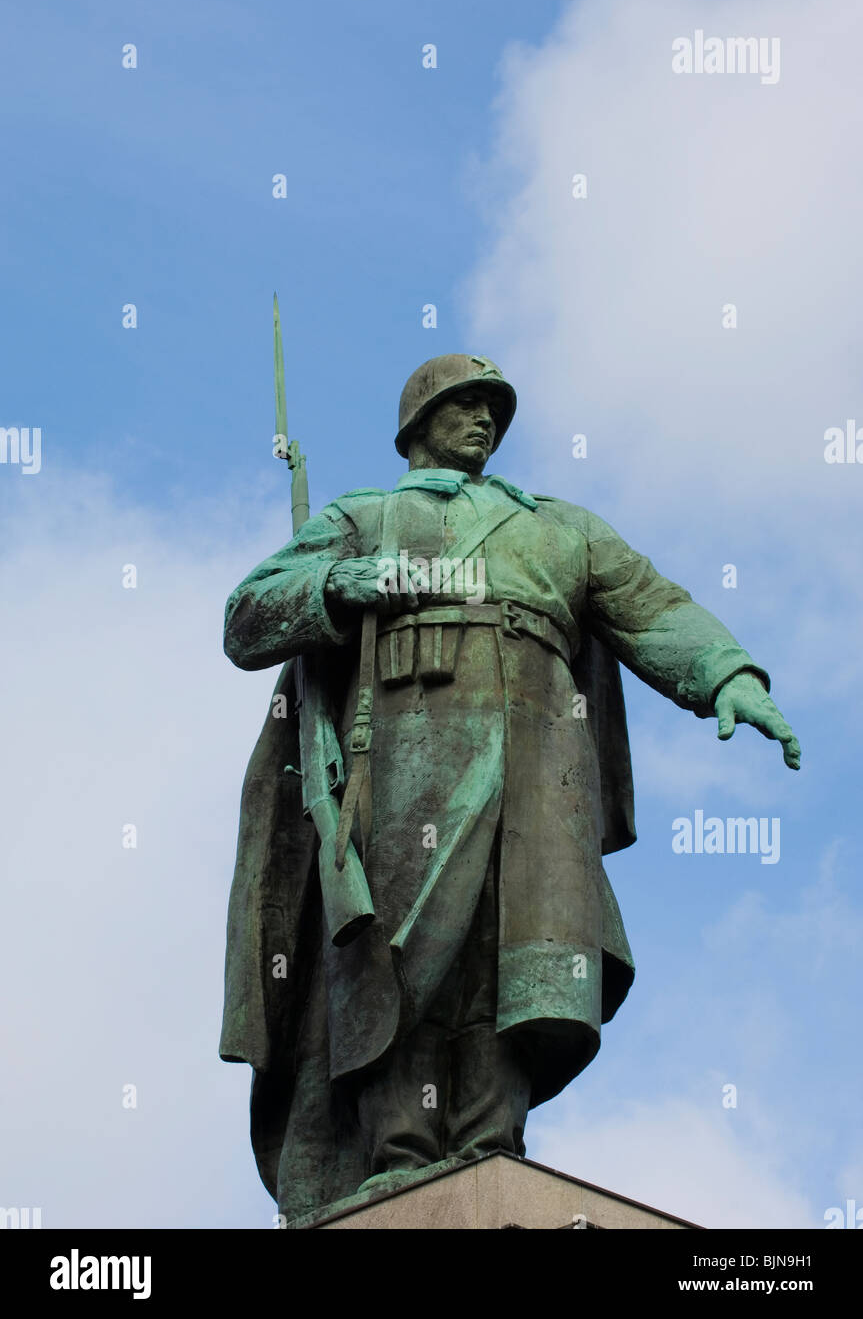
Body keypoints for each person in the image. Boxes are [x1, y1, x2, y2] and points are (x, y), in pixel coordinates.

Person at [220, 353, 800, 1225]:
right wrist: (338, 582)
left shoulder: (561, 530)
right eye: (463, 407)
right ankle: (400, 1153)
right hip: (412, 747)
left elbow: (652, 606)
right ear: (417, 424)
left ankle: (493, 1140)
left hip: (541, 756)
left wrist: (727, 677)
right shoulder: (365, 515)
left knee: (522, 956)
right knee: (404, 951)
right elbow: (248, 612)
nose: (483, 422)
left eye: (493, 409)